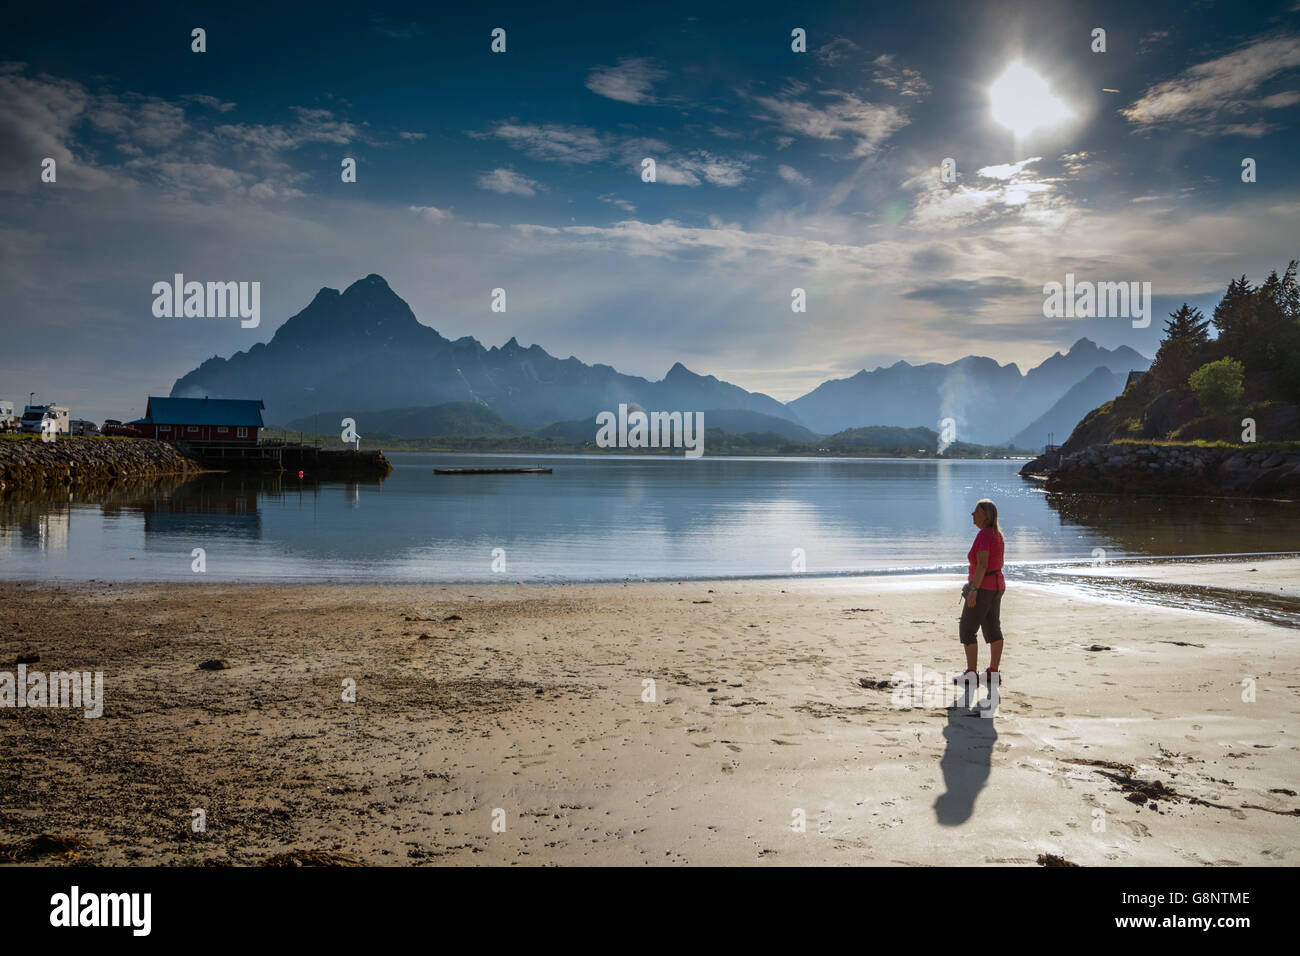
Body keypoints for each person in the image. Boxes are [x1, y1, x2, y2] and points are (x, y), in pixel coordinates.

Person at [957, 498, 1005, 689]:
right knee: (993, 627)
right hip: (997, 585)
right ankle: (993, 672)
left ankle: (971, 673)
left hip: (985, 588)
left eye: (976, 511)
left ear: (985, 515)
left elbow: (983, 565)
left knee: (967, 629)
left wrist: (973, 590)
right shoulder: (996, 534)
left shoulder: (985, 535)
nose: (972, 514)